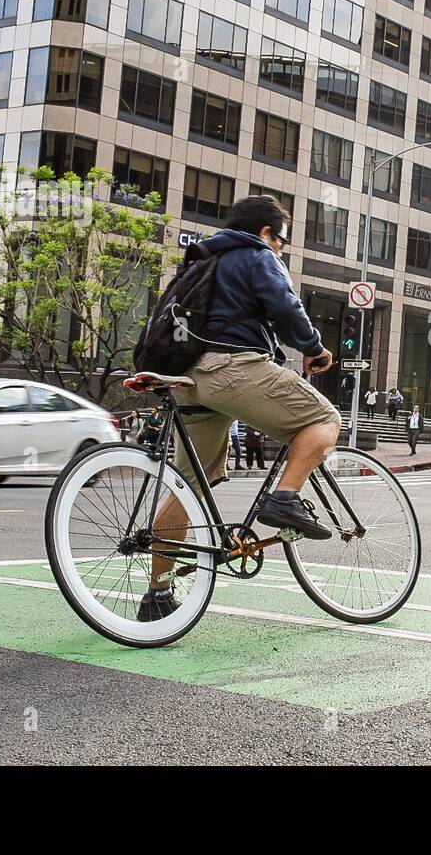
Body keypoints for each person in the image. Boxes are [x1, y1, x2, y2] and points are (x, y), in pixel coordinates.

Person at [143, 195, 340, 621]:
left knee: (187, 485)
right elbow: (286, 308)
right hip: (232, 369)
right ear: (267, 232)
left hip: (185, 377)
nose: (282, 248)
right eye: (282, 240)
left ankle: (157, 593)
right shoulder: (257, 254)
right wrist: (313, 348)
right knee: (324, 419)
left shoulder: (199, 260)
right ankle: (285, 498)